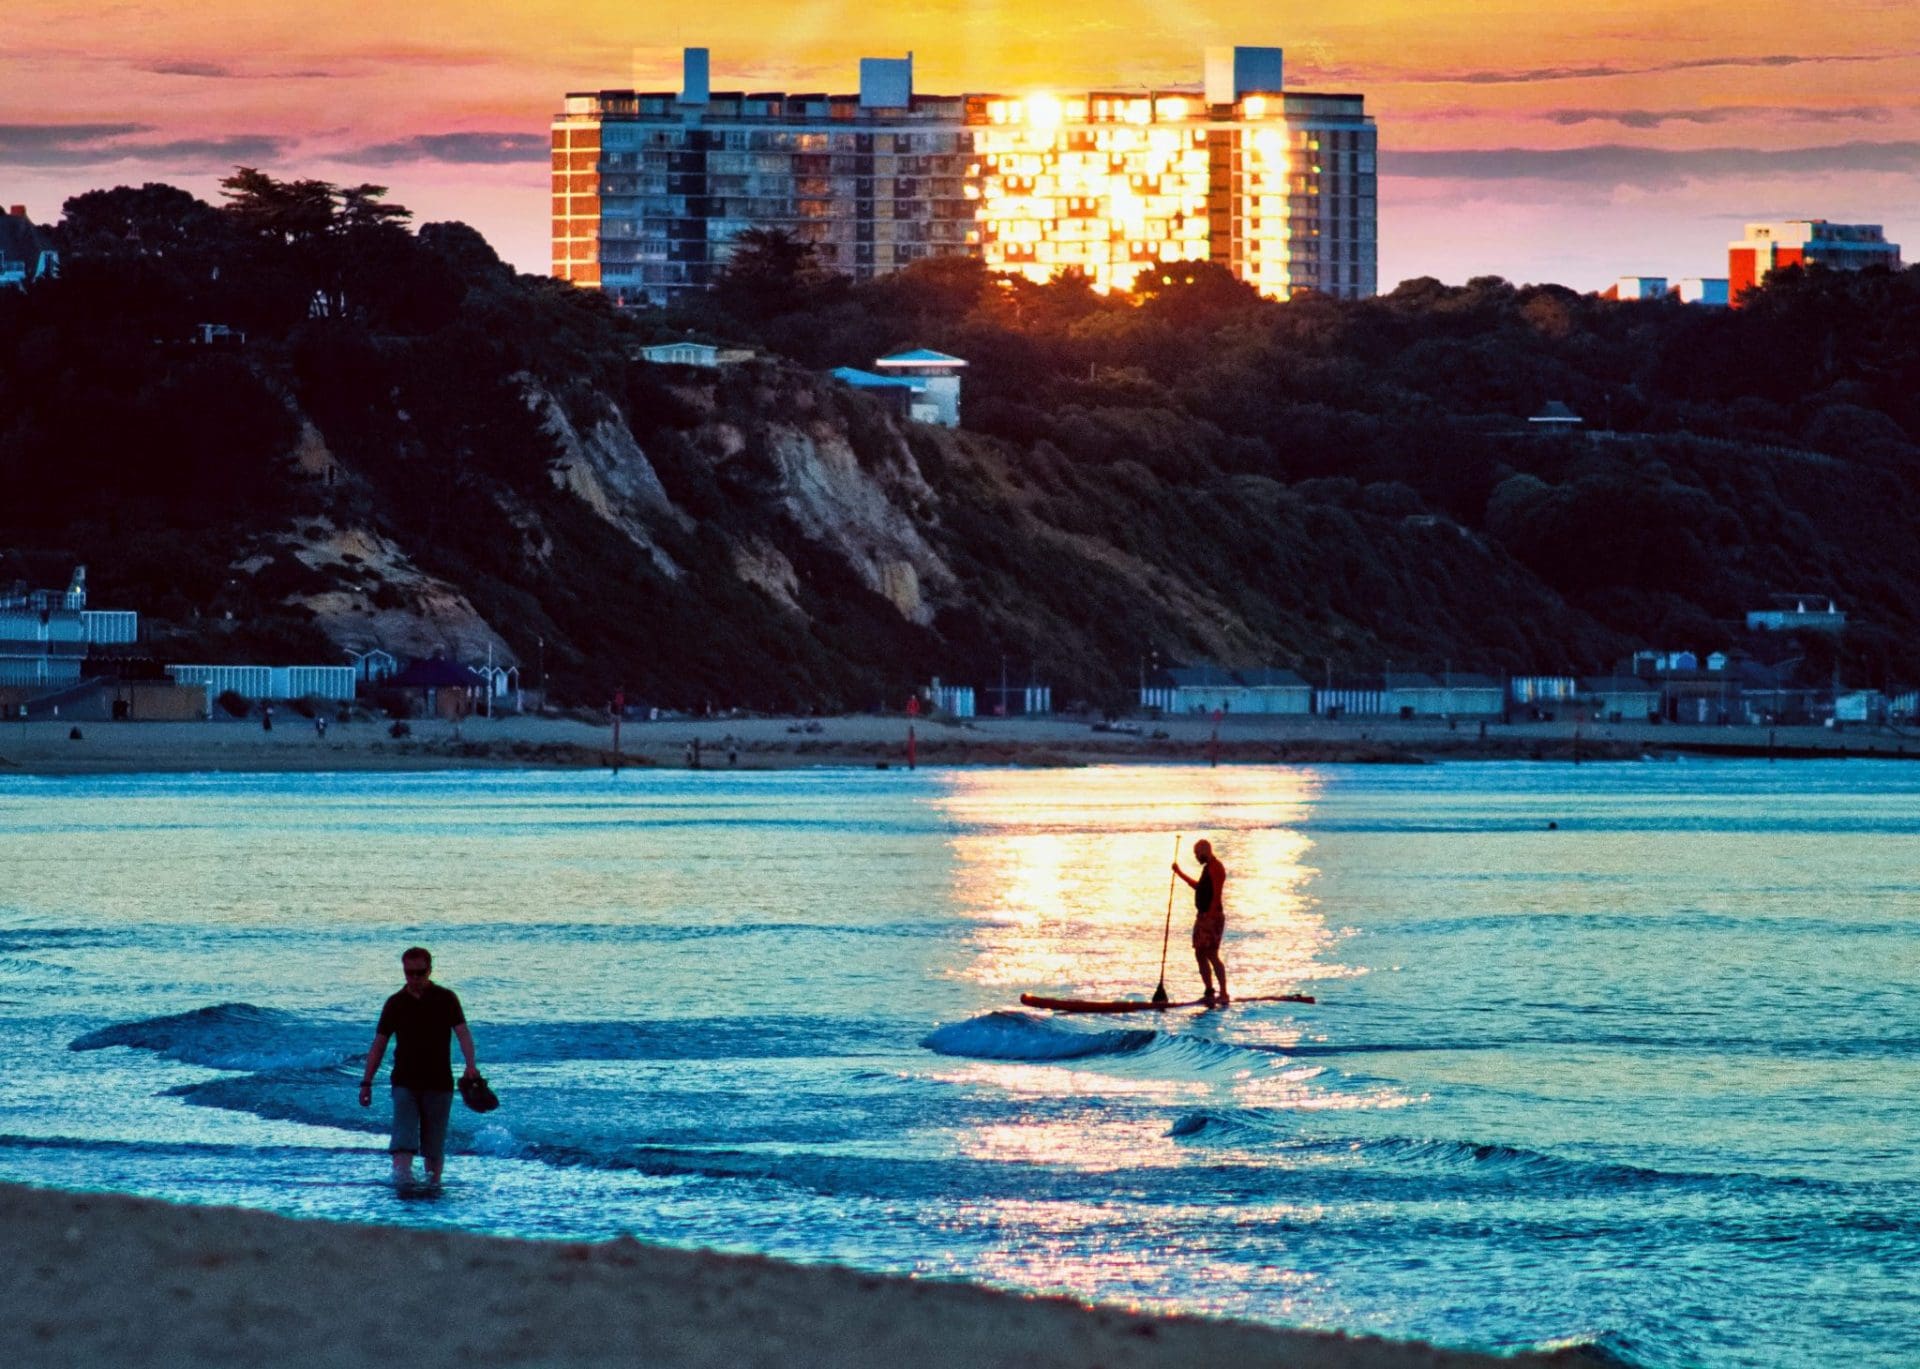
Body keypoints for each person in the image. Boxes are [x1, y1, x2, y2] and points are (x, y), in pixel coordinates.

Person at [358, 946, 479, 1188]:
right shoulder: (395, 1003)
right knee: (403, 1142)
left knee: (434, 1146)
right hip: (404, 1081)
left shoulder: (446, 998)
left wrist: (470, 1066)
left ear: (430, 970)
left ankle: (433, 1187)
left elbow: (463, 1033)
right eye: (409, 973)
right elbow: (379, 1044)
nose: (414, 978)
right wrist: (366, 1082)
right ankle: (403, 1188)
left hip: (439, 1082)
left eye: (420, 972)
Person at [1171, 839, 1229, 1004]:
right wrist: (1179, 873)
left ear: (1205, 851)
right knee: (1199, 953)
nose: (1196, 857)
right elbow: (1199, 887)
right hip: (1202, 916)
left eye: (1197, 854)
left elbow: (1217, 895)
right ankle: (1209, 991)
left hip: (1212, 917)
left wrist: (1210, 918)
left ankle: (1223, 993)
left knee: (1211, 954)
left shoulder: (1216, 867)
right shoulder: (1207, 868)